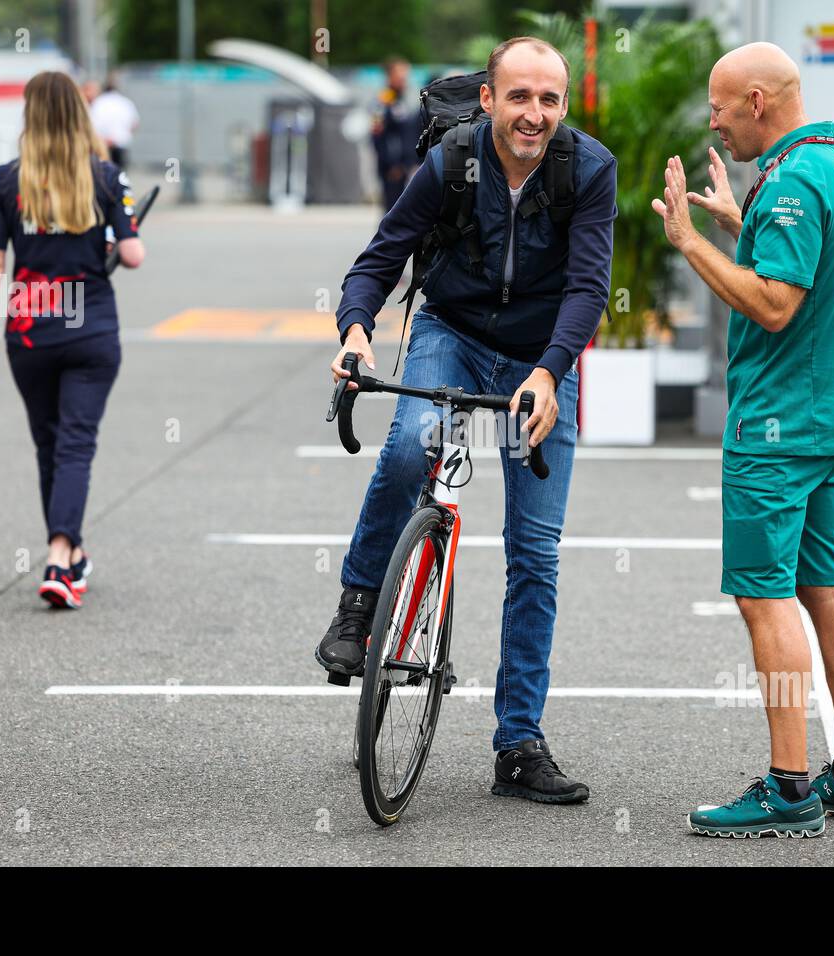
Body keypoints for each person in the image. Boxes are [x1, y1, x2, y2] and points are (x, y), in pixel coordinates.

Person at [317, 37, 617, 804]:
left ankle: (518, 745)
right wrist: (356, 329)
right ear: (488, 99)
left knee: (535, 551)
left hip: (538, 360)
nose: (534, 114)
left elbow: (588, 288)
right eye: (519, 97)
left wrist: (551, 373)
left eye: (549, 99)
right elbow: (379, 260)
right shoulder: (451, 162)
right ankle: (358, 604)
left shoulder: (587, 169)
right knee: (413, 445)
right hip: (452, 334)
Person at [651, 42, 834, 837]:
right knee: (826, 585)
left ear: (758, 100)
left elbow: (778, 304)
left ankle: (790, 790)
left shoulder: (789, 185)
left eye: (720, 105)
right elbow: (813, 261)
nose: (712, 120)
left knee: (764, 596)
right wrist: (739, 220)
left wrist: (693, 240)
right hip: (830, 420)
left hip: (778, 427)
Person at [0, 71, 144, 610]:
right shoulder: (106, 177)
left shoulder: (5, 180)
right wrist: (114, 236)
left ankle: (68, 553)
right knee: (75, 444)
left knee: (51, 443)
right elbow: (133, 255)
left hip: (29, 329)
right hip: (91, 325)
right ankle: (62, 554)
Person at [370, 58, 423, 213]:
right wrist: (391, 164)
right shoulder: (383, 101)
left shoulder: (402, 99)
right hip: (392, 167)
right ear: (390, 76)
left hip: (404, 165)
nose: (404, 79)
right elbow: (377, 136)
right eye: (400, 75)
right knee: (391, 210)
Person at [89, 78, 139, 170]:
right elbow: (134, 124)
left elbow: (92, 123)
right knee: (120, 174)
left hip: (103, 144)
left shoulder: (98, 102)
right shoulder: (126, 102)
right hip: (121, 143)